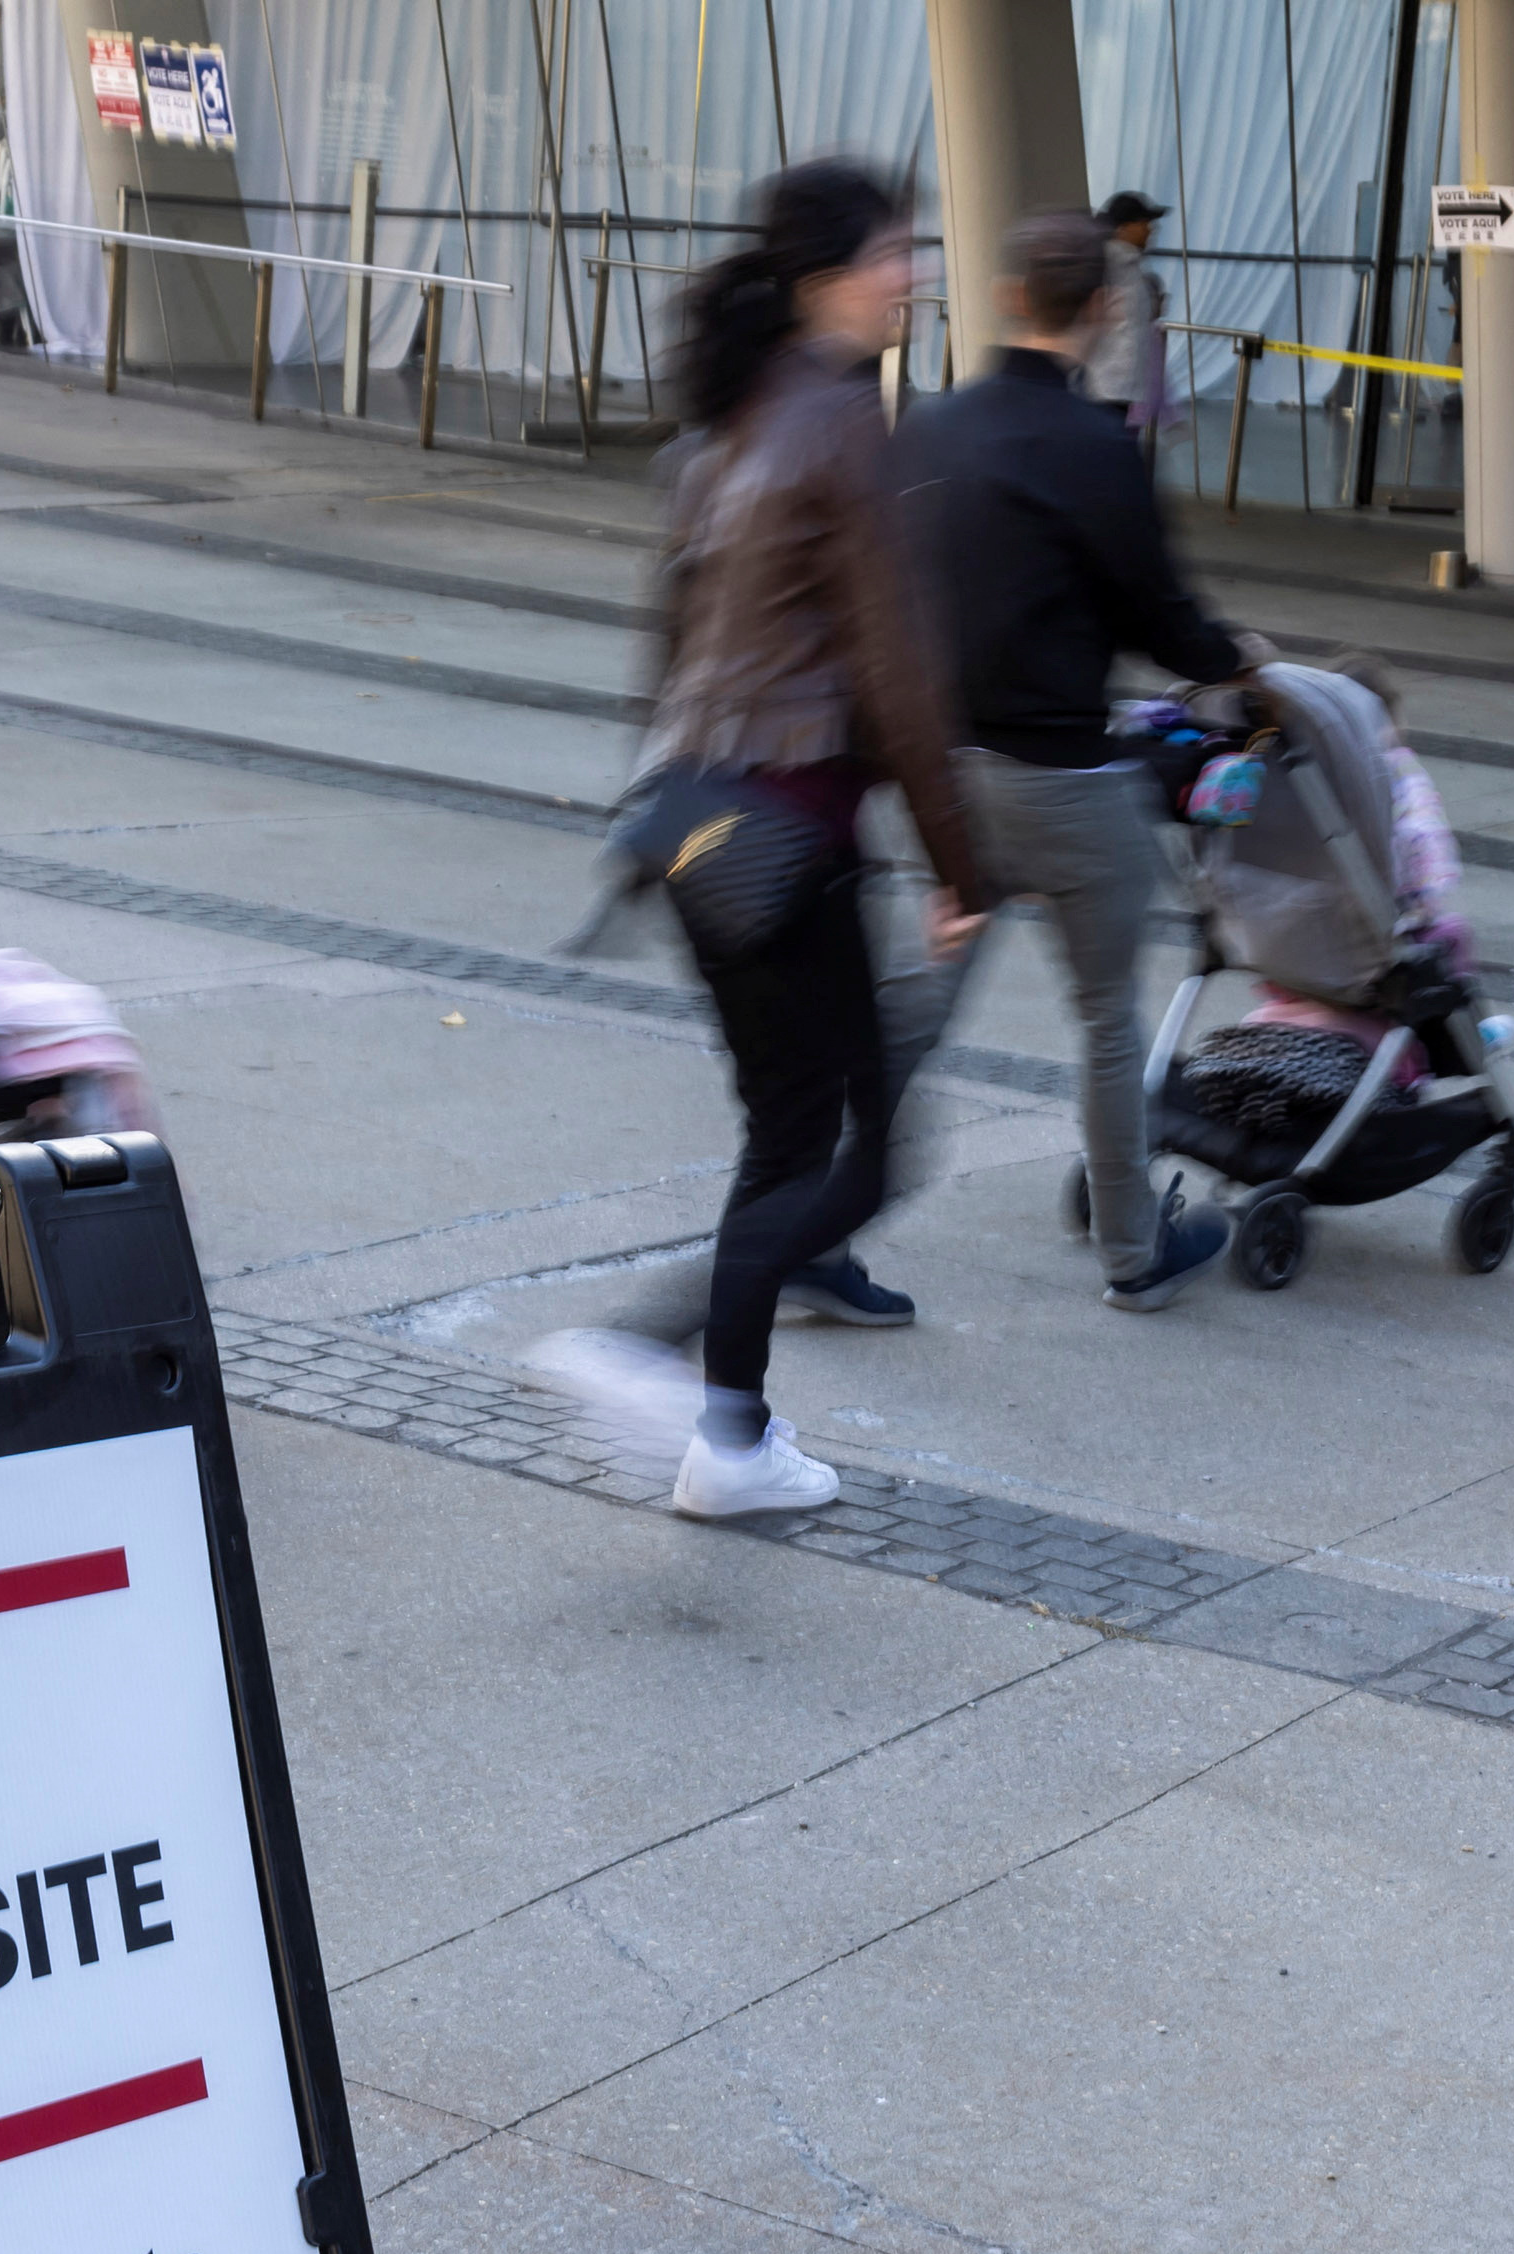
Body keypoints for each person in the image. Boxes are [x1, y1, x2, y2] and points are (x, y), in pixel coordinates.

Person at [580, 159, 993, 1522]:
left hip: (694, 824)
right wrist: (959, 863)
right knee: (866, 1151)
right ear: (824, 274)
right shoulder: (833, 421)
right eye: (895, 254)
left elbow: (672, 632)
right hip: (791, 828)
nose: (913, 276)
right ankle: (648, 1344)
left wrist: (654, 809)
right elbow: (901, 673)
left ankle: (733, 1444)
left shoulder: (729, 417)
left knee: (785, 1133)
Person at [897, 210, 1268, 1313]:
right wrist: (1237, 669)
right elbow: (1163, 620)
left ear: (1009, 296)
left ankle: (817, 1213)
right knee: (1107, 1021)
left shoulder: (928, 430)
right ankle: (1130, 1251)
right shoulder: (1095, 449)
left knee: (915, 1012)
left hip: (947, 781)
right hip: (1061, 783)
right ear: (1101, 308)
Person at [1089, 192, 1168, 435]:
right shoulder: (1105, 264)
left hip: (1126, 388)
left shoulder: (1133, 266)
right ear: (1123, 227)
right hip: (1108, 390)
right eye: (1143, 223)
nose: (1150, 229)